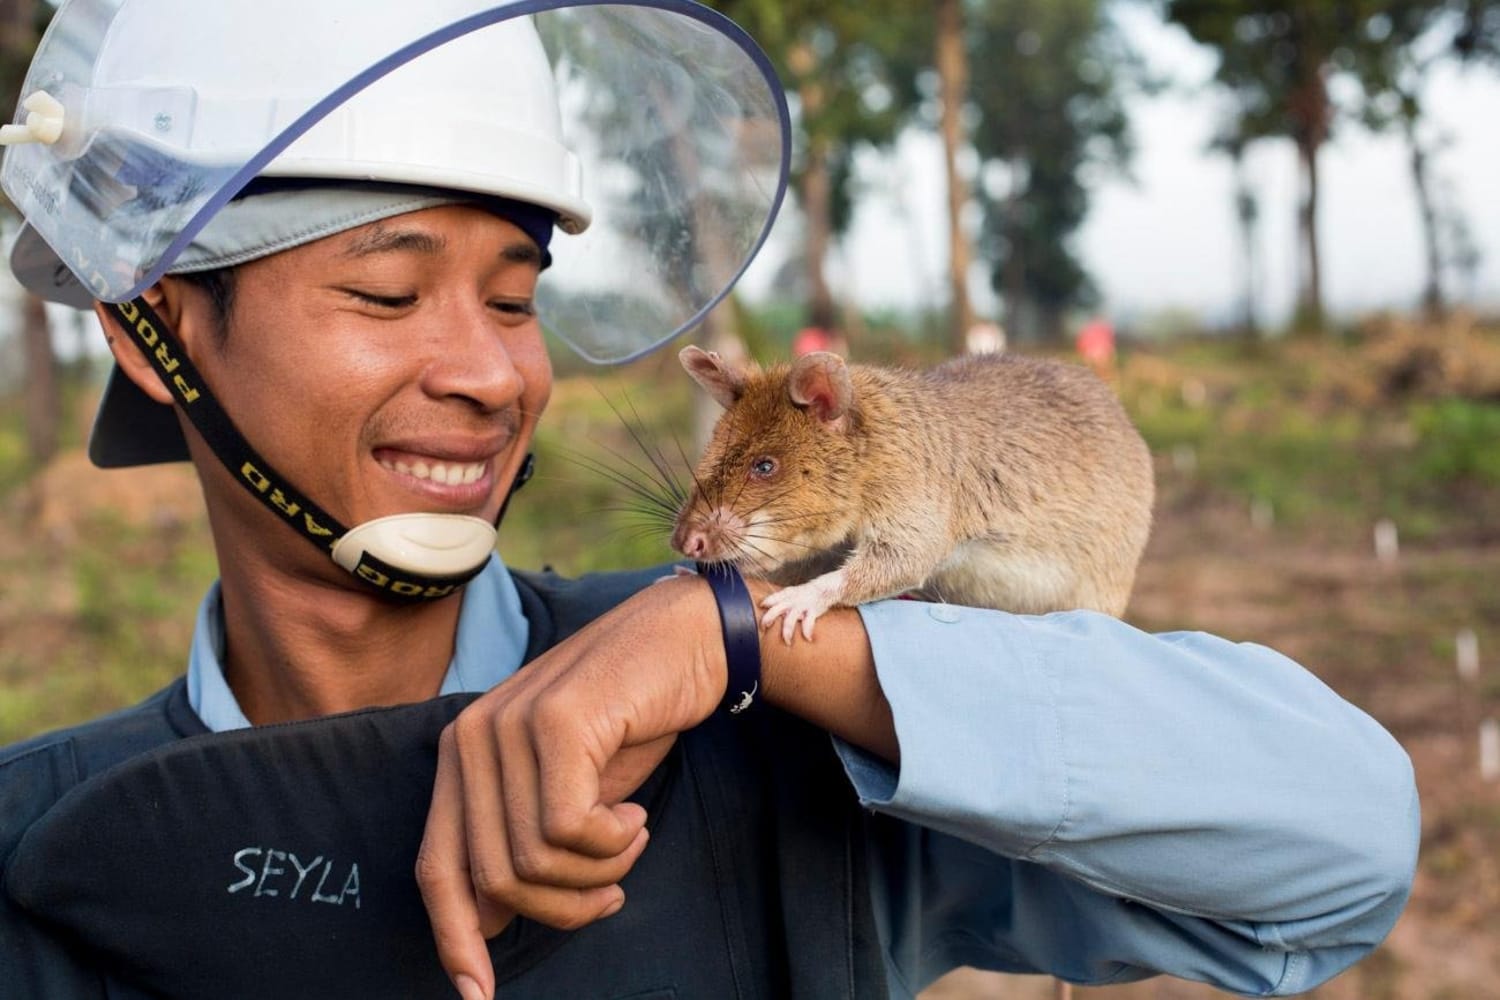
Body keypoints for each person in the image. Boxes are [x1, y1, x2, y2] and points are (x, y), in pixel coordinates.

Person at [0, 2, 1417, 999]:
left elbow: (1347, 855)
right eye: (384, 290)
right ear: (156, 327)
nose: (492, 374)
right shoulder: (43, 847)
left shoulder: (782, 731)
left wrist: (743, 640)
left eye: (515, 298)